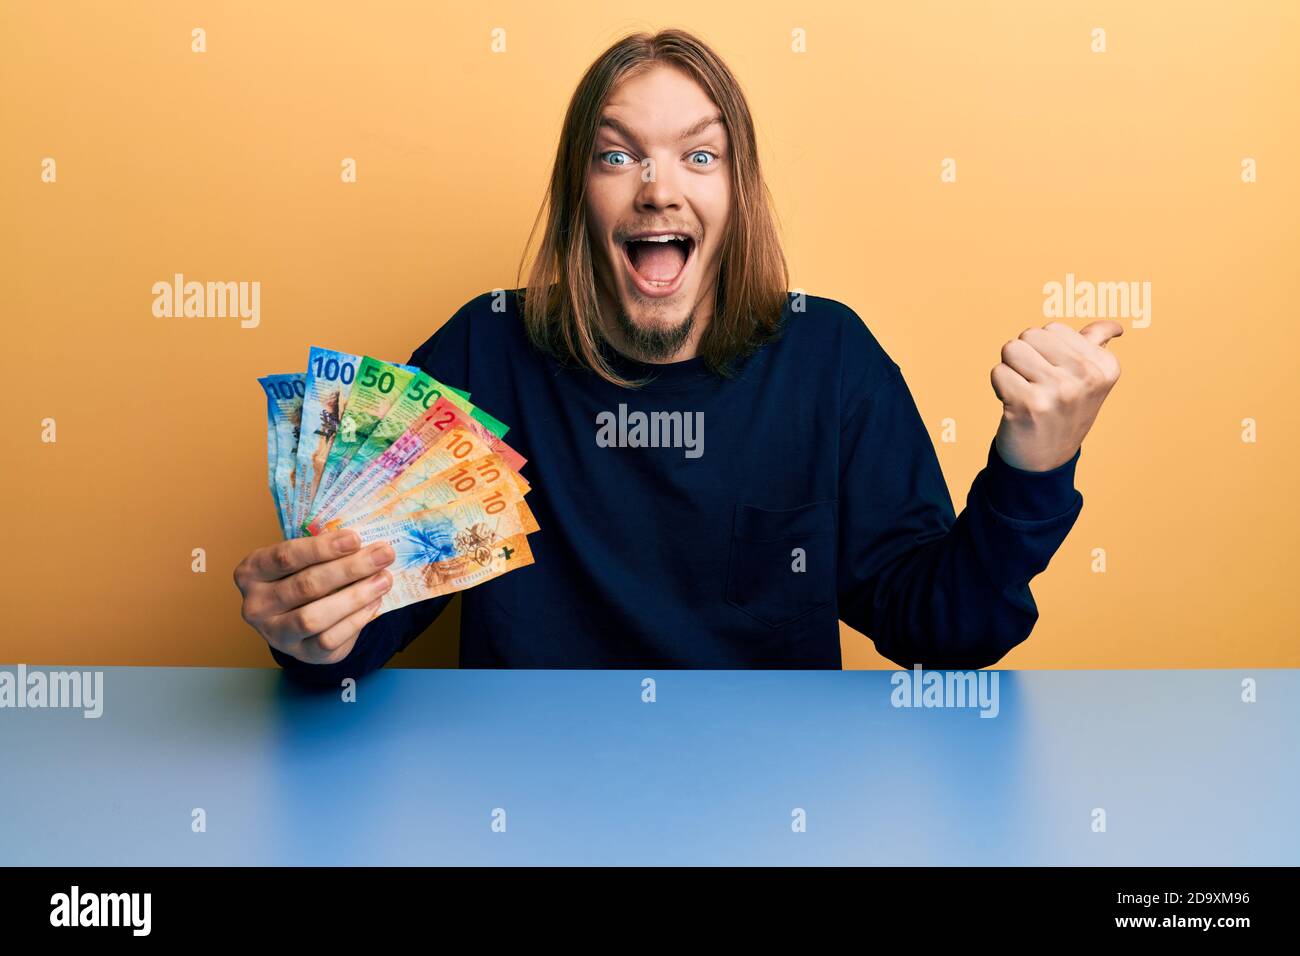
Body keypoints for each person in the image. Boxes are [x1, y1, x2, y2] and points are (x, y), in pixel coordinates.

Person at [234, 29, 1121, 681]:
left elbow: (945, 631)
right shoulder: (484, 351)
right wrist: (310, 630)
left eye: (700, 154)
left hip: (771, 814)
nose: (658, 188)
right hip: (528, 808)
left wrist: (1033, 470)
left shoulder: (830, 359)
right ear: (579, 195)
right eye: (618, 155)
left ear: (738, 193)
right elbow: (362, 634)